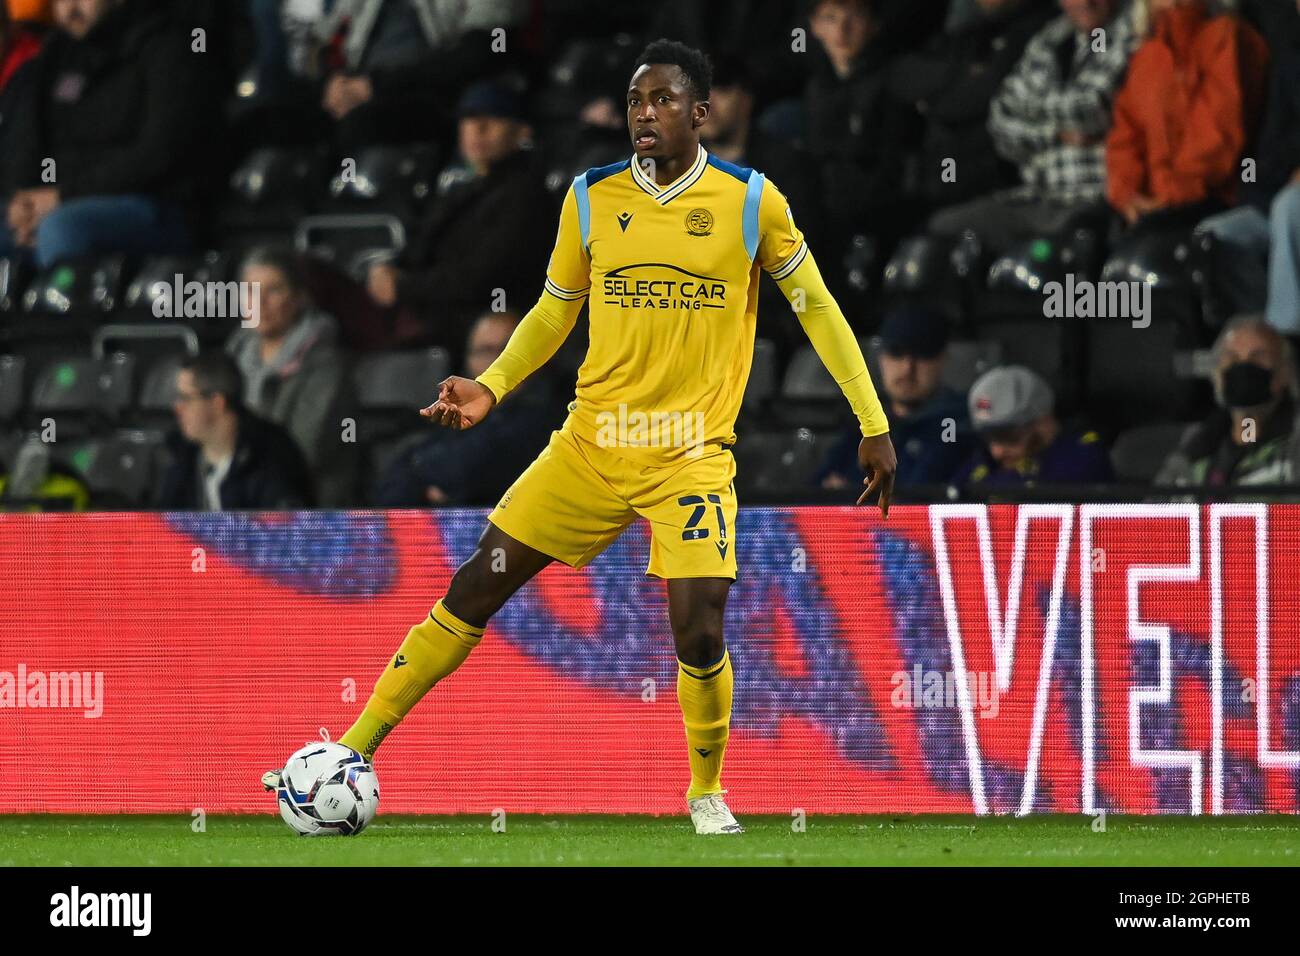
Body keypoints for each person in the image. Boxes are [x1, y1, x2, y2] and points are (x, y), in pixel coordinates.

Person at [267, 39, 898, 835]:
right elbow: (554, 309)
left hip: (690, 453)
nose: (645, 112)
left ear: (701, 113)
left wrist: (873, 423)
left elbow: (819, 310)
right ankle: (353, 751)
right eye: (636, 100)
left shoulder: (750, 201)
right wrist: (492, 386)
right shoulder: (592, 198)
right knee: (475, 585)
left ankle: (706, 791)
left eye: (664, 99)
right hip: (590, 445)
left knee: (700, 626)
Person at [0, 0, 214, 268]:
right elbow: (28, 141)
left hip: (156, 204)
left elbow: (160, 153)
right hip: (61, 200)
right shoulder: (57, 54)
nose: (69, 11)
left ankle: (72, 310)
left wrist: (63, 196)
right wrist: (23, 202)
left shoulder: (166, 43)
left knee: (62, 228)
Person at [928, 0, 1137, 253]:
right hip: (1036, 196)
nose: (1085, 2)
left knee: (1063, 244)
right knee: (944, 230)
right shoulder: (1051, 38)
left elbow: (1092, 106)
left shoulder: (1132, 29)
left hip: (1093, 197)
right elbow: (1000, 122)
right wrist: (1056, 133)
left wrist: (1029, 109)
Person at [1105, 0, 1268, 235]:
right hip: (1154, 208)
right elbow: (1126, 134)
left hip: (1215, 200)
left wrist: (1169, 195)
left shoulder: (1227, 37)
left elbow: (1219, 135)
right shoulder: (1148, 54)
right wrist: (1128, 194)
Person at [373, 312, 567, 507]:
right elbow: (389, 490)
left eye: (508, 349)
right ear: (468, 360)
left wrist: (429, 478)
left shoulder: (546, 417)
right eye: (485, 350)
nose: (497, 360)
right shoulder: (456, 415)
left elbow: (468, 467)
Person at [1195, 0, 1300, 332]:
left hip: (1293, 207)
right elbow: (1270, 150)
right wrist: (1255, 196)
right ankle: (1246, 347)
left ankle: (1284, 346)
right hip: (1281, 198)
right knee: (1214, 236)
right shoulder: (1292, 61)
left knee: (1290, 210)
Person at [226, 247, 360, 508]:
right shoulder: (233, 357)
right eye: (250, 291)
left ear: (299, 297)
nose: (260, 302)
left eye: (274, 290)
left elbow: (305, 452)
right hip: (243, 496)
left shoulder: (327, 365)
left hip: (308, 507)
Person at [888, 0, 1057, 208]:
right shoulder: (975, 30)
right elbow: (900, 74)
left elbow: (982, 93)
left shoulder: (1039, 28)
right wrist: (960, 71)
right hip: (943, 182)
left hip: (999, 185)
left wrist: (929, 103)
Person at [818, 306, 976, 490]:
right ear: (881, 359)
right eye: (896, 352)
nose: (907, 367)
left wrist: (852, 494)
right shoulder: (862, 421)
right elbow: (815, 489)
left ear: (943, 359)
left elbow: (923, 493)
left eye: (923, 354)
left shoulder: (955, 422)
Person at [155, 352, 315, 511]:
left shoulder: (272, 456)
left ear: (217, 403)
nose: (177, 408)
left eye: (186, 399)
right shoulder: (176, 454)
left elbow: (283, 529)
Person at [1156, 316, 1300, 486]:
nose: (1244, 366)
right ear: (1216, 375)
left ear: (1284, 373)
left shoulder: (1295, 441)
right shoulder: (1196, 443)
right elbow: (1157, 506)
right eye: (1232, 358)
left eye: (1259, 357)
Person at [953, 364, 1114, 487]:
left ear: (1044, 422)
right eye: (989, 438)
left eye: (1009, 437)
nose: (997, 452)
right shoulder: (986, 460)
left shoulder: (1081, 455)